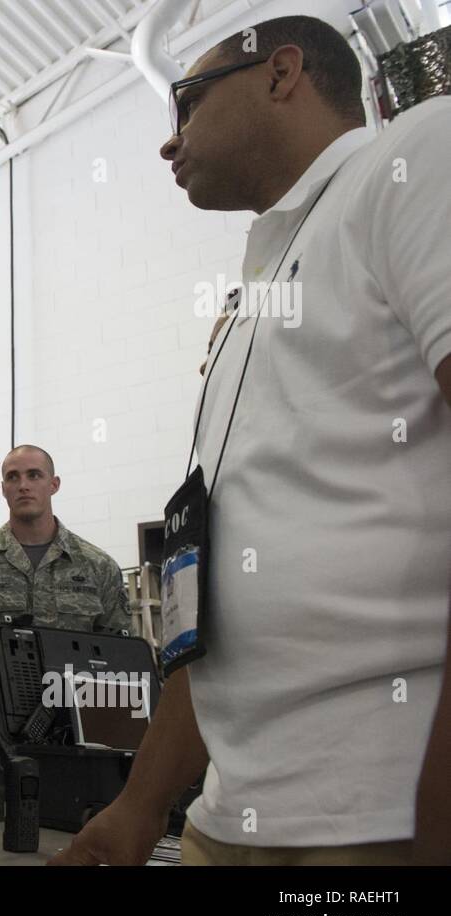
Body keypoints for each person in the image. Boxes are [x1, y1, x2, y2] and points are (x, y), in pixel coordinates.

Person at [56, 16, 451, 866]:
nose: (171, 144)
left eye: (186, 102)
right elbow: (220, 592)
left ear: (281, 74)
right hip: (229, 813)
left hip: (381, 810)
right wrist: (141, 802)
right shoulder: (250, 309)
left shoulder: (413, 162)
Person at [0, 443, 132, 816]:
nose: (23, 485)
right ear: (3, 489)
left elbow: (120, 659)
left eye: (34, 475)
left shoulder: (98, 567)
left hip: (75, 749)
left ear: (53, 484)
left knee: (67, 846)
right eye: (13, 477)